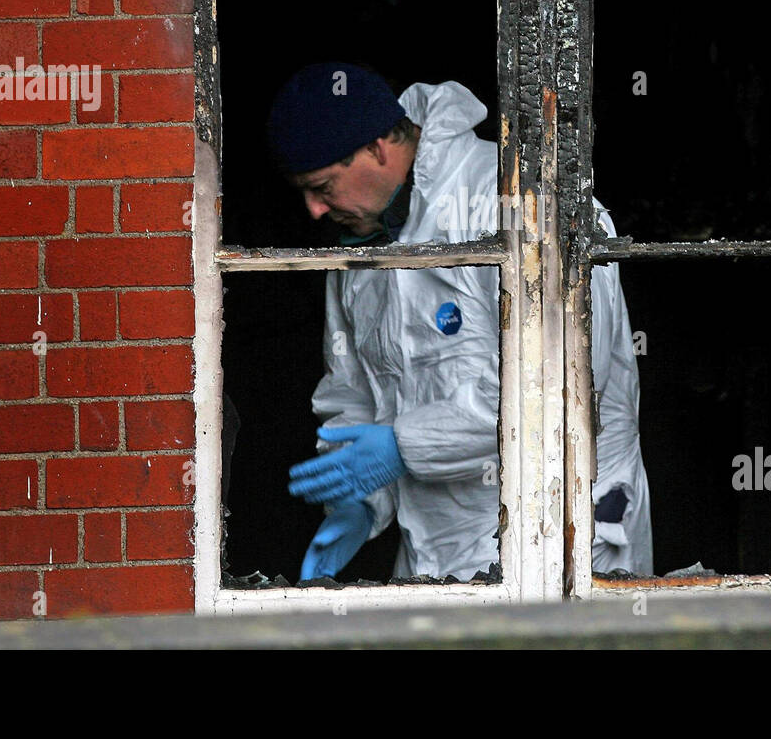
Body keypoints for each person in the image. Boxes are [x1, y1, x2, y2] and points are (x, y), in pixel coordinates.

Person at [266, 62, 652, 581]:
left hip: (561, 536)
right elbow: (352, 391)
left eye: (322, 186)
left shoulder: (518, 202)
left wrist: (404, 447)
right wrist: (358, 502)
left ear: (378, 148)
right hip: (431, 549)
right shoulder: (361, 251)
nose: (313, 210)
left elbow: (560, 383)